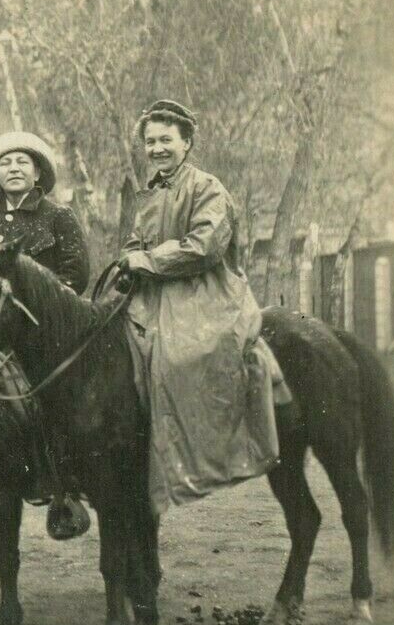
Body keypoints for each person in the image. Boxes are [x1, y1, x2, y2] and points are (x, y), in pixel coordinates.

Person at [118, 99, 282, 513]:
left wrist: (148, 260)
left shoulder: (208, 188)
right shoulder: (151, 192)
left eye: (166, 140)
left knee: (176, 357)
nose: (157, 148)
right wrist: (130, 257)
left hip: (203, 290)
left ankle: (193, 462)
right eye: (150, 141)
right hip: (153, 291)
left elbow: (204, 247)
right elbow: (136, 241)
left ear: (186, 143)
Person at [0, 130, 92, 539]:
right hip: (3, 334)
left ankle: (65, 486)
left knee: (56, 395)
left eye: (22, 161)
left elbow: (77, 274)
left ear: (38, 172)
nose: (14, 169)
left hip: (52, 329)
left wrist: (42, 309)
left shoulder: (59, 218)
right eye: (5, 164)